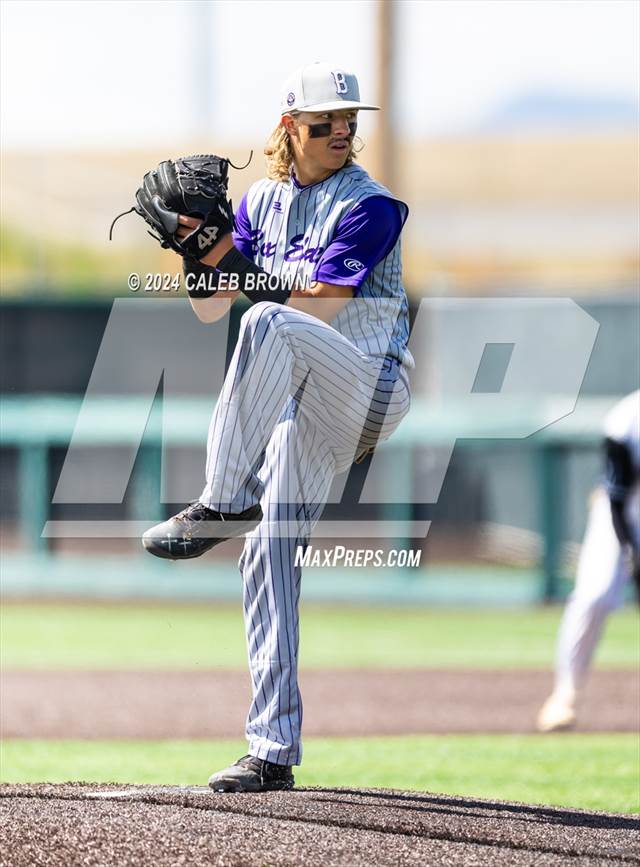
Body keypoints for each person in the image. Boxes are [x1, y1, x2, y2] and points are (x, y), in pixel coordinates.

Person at [142, 61, 414, 790]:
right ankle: (271, 750)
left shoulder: (371, 206)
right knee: (266, 554)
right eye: (326, 120)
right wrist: (198, 247)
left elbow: (310, 312)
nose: (343, 131)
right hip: (303, 402)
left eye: (351, 120)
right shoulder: (261, 202)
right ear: (291, 126)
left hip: (369, 381)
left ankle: (222, 496)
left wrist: (234, 263)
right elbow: (209, 309)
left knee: (268, 320)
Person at [537, 390, 639, 732]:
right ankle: (564, 696)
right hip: (621, 514)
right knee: (594, 595)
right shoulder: (627, 418)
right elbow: (617, 496)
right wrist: (631, 550)